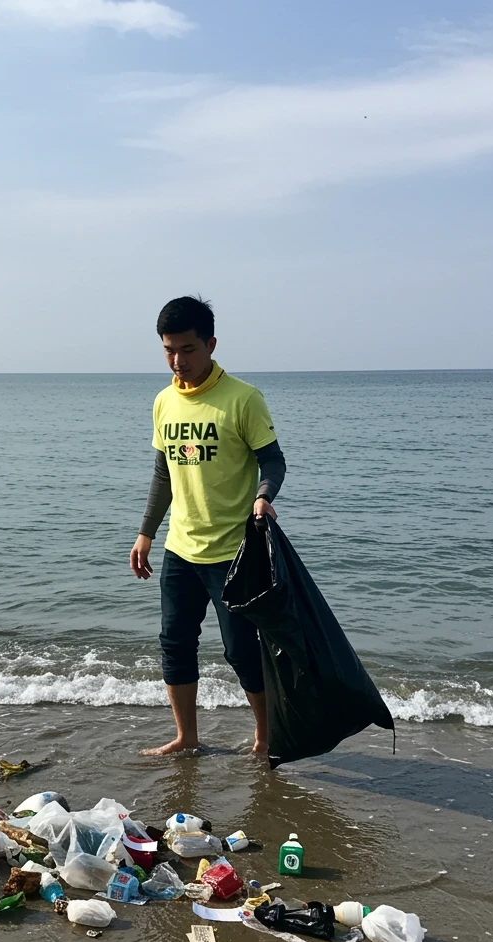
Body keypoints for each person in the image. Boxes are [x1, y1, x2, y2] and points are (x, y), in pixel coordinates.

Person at [130, 295, 286, 756]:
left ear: (211, 344)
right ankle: (186, 737)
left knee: (241, 652)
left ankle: (264, 737)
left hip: (233, 553)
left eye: (188, 350)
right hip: (181, 548)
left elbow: (273, 461)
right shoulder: (163, 402)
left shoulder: (242, 399)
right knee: (175, 644)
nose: (178, 361)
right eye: (169, 351)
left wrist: (263, 497)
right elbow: (163, 473)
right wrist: (146, 532)